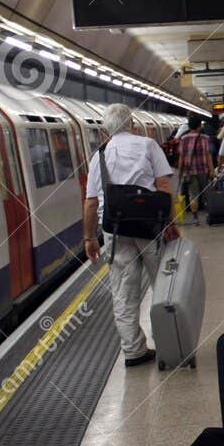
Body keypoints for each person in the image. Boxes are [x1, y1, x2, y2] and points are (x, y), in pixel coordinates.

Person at [84, 104, 177, 367]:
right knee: (163, 285)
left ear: (106, 130)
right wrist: (171, 222)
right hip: (150, 226)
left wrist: (89, 238)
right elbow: (164, 186)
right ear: (132, 123)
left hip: (115, 229)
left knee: (124, 292)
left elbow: (91, 202)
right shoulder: (148, 146)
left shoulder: (98, 156)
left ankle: (134, 351)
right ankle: (169, 346)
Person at [178, 115, 215, 222]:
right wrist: (212, 170)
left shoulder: (183, 139)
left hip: (190, 171)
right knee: (207, 193)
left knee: (193, 194)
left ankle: (195, 218)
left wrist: (180, 172)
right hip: (204, 170)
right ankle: (209, 214)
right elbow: (208, 155)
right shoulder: (205, 138)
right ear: (199, 126)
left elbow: (182, 157)